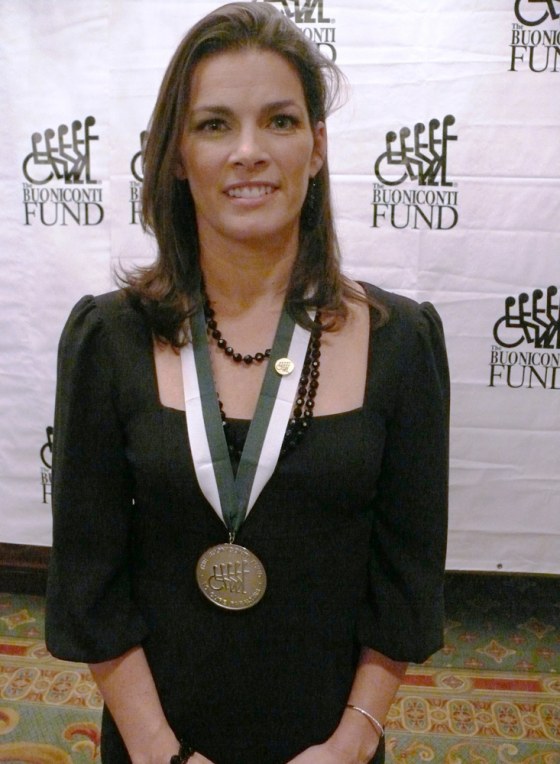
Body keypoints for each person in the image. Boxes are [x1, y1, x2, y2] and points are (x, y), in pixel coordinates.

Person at [46, 3, 449, 763]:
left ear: (317, 147)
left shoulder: (401, 342)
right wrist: (161, 752)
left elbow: (406, 580)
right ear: (175, 155)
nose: (249, 152)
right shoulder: (109, 339)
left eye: (280, 121)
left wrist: (352, 741)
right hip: (156, 743)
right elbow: (90, 584)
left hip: (331, 743)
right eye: (214, 125)